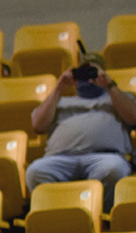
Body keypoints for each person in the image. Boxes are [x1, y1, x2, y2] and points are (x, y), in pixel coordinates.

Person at [28, 52, 136, 211]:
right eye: (82, 72)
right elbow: (38, 126)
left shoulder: (118, 97)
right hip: (61, 159)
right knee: (36, 171)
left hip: (104, 157)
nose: (87, 77)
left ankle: (100, 216)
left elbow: (133, 118)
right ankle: (57, 217)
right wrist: (59, 89)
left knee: (114, 169)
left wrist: (110, 85)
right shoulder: (61, 101)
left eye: (92, 72)